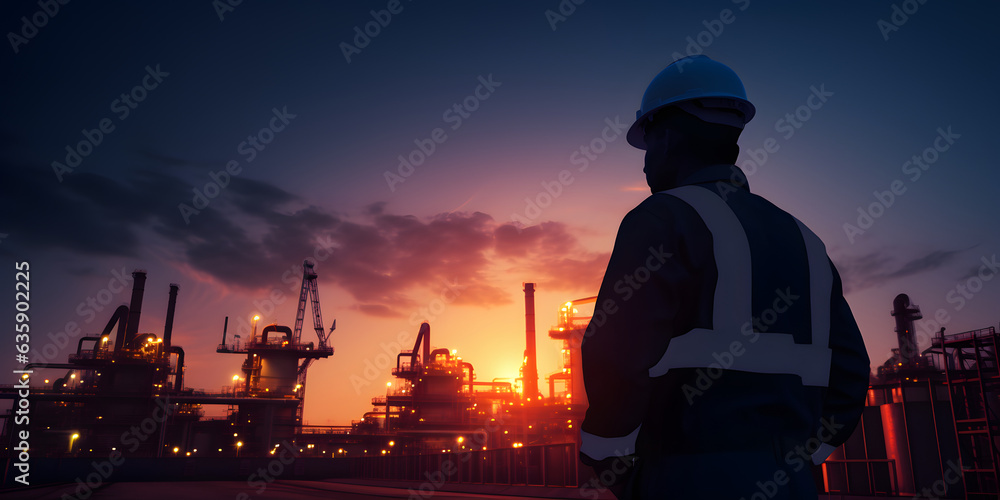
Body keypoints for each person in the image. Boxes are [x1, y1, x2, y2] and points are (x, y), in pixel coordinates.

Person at [578, 55, 870, 499]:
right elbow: (850, 371)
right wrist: (802, 458)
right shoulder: (804, 237)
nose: (645, 165)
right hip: (791, 482)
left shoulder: (662, 218)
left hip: (685, 477)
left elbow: (616, 354)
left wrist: (608, 460)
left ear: (668, 137)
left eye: (648, 145)